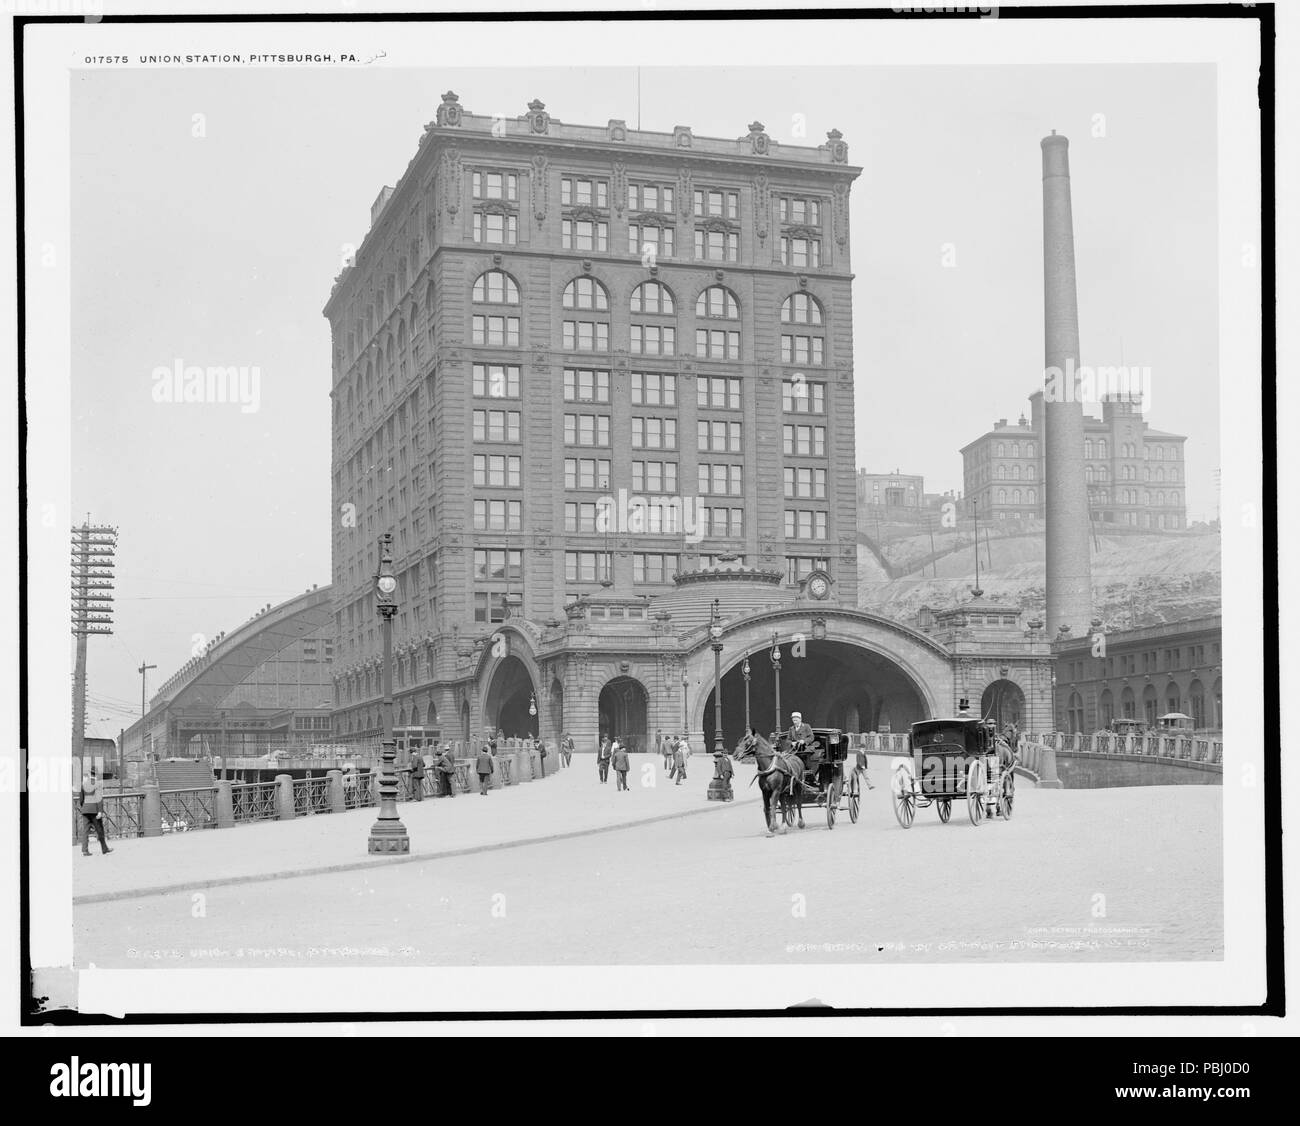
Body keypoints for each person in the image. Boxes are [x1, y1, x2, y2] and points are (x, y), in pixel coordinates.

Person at [78, 767, 111, 856]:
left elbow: (81, 799)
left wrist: (84, 807)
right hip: (94, 810)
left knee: (85, 831)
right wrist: (100, 811)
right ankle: (104, 849)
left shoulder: (83, 784)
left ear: (89, 774)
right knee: (99, 830)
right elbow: (99, 799)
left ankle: (85, 850)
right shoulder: (98, 784)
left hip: (85, 810)